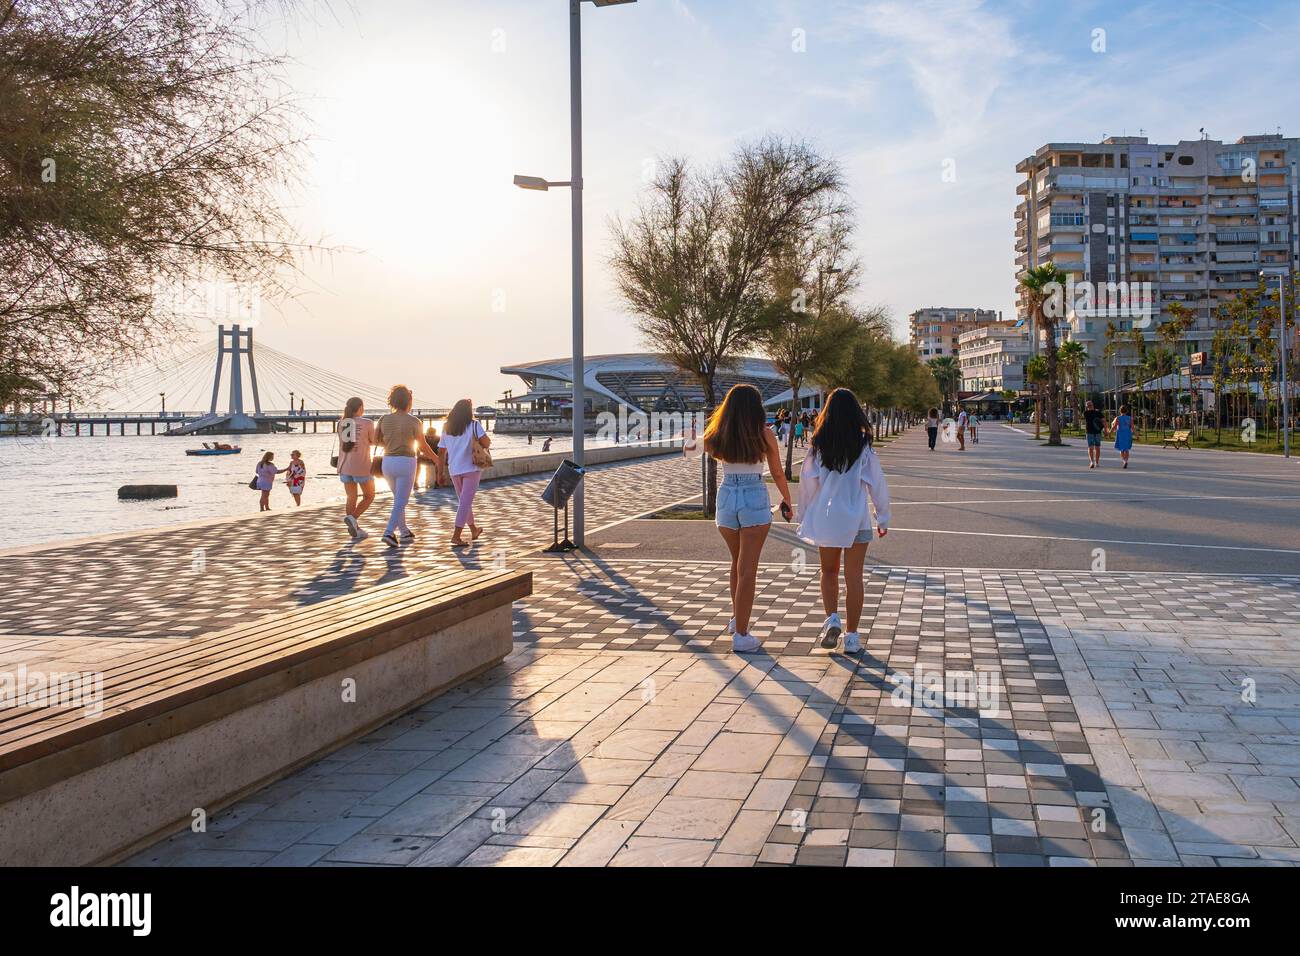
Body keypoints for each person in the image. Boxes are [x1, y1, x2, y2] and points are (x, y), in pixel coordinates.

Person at [701, 383, 793, 654]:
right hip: (753, 494)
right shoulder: (764, 435)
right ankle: (741, 635)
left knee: (737, 563)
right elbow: (777, 473)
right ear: (756, 407)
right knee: (748, 569)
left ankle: (735, 619)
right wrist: (787, 500)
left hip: (727, 495)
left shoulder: (718, 435)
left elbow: (695, 445)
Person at [797, 388, 890, 654]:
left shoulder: (818, 445)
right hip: (857, 520)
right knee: (854, 578)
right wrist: (882, 517)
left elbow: (807, 485)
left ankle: (832, 620)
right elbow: (878, 484)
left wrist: (804, 516)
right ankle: (851, 637)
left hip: (827, 519)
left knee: (828, 572)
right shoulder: (864, 445)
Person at [374, 385, 438, 549]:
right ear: (408, 401)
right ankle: (388, 532)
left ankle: (403, 531)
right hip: (406, 462)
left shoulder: (383, 419)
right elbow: (423, 446)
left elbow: (376, 441)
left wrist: (390, 442)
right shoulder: (414, 421)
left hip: (388, 462)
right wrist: (437, 459)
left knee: (398, 499)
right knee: (401, 501)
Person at [441, 398, 491, 547]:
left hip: (454, 469)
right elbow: (487, 442)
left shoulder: (446, 427)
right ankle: (456, 536)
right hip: (471, 468)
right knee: (465, 502)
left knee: (464, 501)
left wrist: (439, 473)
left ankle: (474, 529)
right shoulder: (474, 425)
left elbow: (441, 451)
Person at [337, 397, 376, 542]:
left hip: (344, 466)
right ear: (360, 407)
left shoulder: (341, 423)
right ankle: (352, 518)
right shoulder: (367, 422)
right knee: (369, 496)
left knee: (351, 497)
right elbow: (373, 441)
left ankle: (356, 529)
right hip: (362, 466)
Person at [415, 424, 446, 491]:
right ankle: (415, 482)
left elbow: (440, 452)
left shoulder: (439, 439)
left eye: (432, 437)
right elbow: (418, 451)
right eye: (429, 436)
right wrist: (423, 455)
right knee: (417, 461)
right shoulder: (424, 438)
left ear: (435, 434)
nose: (430, 438)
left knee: (438, 463)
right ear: (426, 434)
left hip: (435, 457)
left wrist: (434, 458)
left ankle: (437, 482)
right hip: (426, 457)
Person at [1083, 400, 1106, 469]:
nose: (1089, 406)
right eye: (1088, 405)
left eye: (1089, 405)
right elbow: (1104, 421)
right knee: (1096, 447)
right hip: (1094, 432)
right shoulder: (1097, 412)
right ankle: (1095, 462)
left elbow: (1103, 421)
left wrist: (1105, 430)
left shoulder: (1086, 413)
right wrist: (1106, 430)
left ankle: (1093, 462)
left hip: (1092, 432)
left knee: (1091, 447)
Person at [1112, 403, 1135, 469]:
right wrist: (1136, 435)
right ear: (1126, 411)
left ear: (1120, 411)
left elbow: (1114, 427)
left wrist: (1109, 432)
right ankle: (1126, 460)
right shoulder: (1130, 418)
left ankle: (1124, 461)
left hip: (1120, 434)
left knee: (1121, 449)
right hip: (1128, 434)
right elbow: (1132, 427)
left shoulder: (1118, 418)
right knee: (1126, 449)